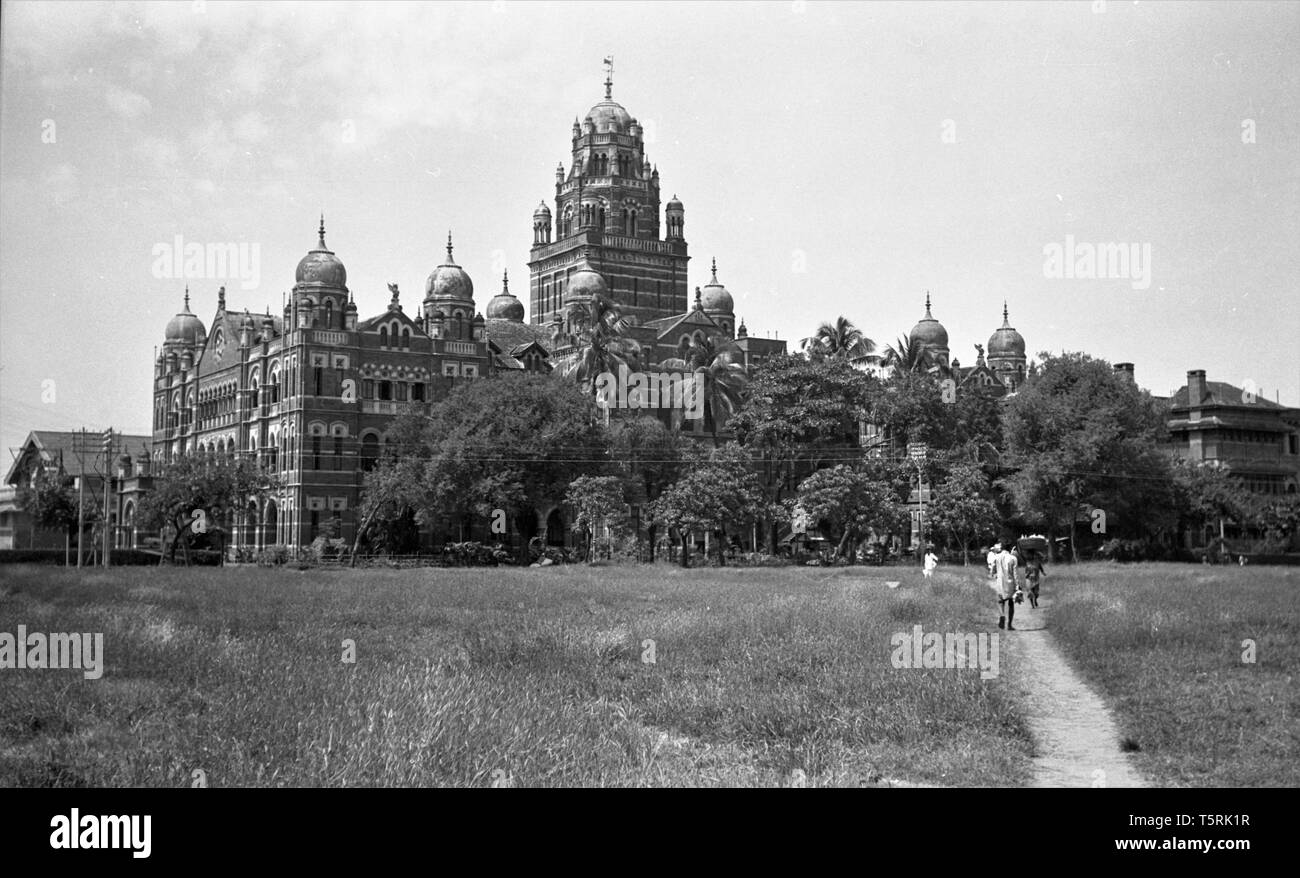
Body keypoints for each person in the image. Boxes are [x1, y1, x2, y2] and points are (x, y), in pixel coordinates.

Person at [991, 544, 1019, 630]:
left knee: (1000, 601)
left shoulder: (997, 557)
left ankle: (1002, 615)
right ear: (1010, 548)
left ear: (1002, 549)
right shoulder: (1013, 558)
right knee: (1011, 604)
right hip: (1010, 583)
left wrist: (994, 574)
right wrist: (1017, 586)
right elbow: (1015, 574)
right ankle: (1009, 625)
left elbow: (993, 569)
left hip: (1000, 583)